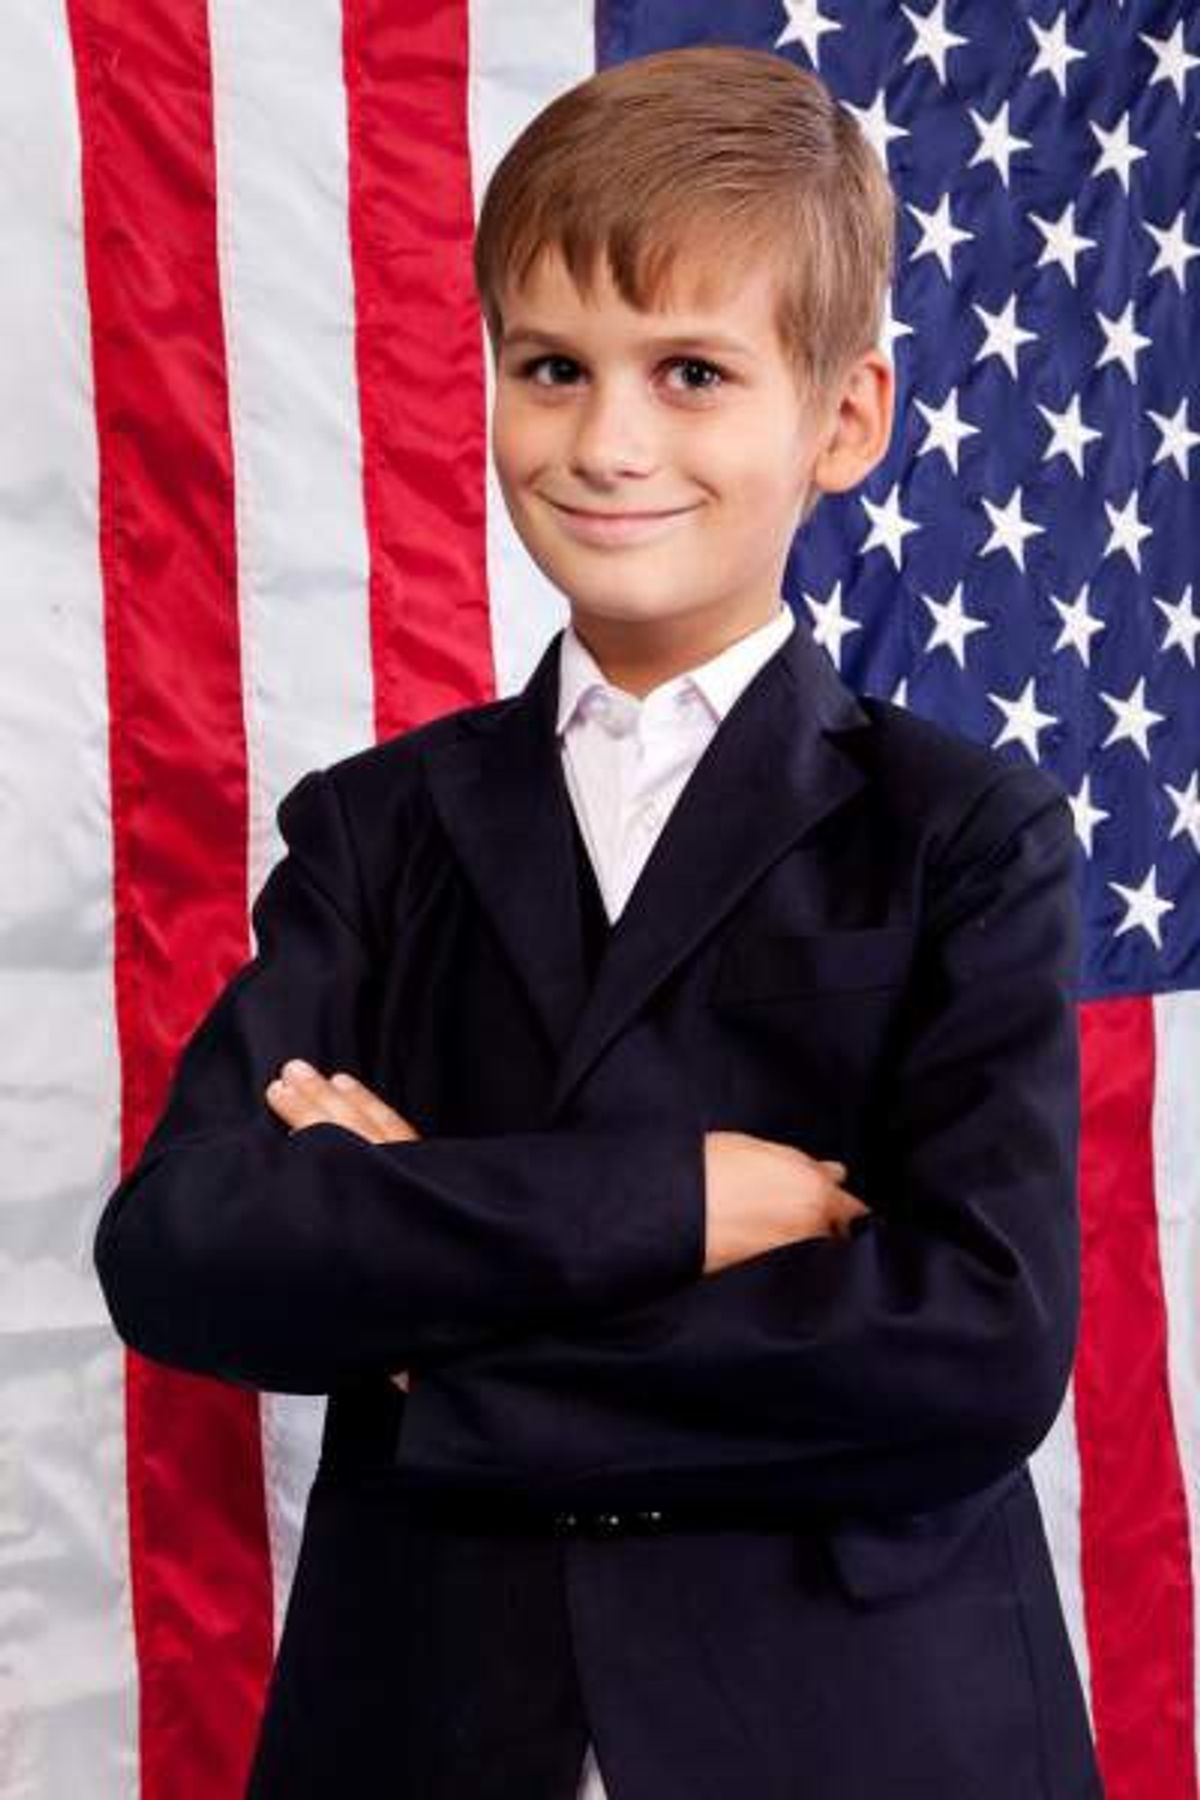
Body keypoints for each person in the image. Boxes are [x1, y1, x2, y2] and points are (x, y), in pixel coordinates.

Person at [93, 42, 1105, 1800]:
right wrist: (681, 1199)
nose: (607, 443)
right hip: (428, 1719)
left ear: (844, 418)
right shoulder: (376, 830)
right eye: (552, 368)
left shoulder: (964, 835)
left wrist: (431, 1329)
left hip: (860, 1730)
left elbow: (973, 1344)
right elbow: (187, 1248)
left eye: (691, 373)